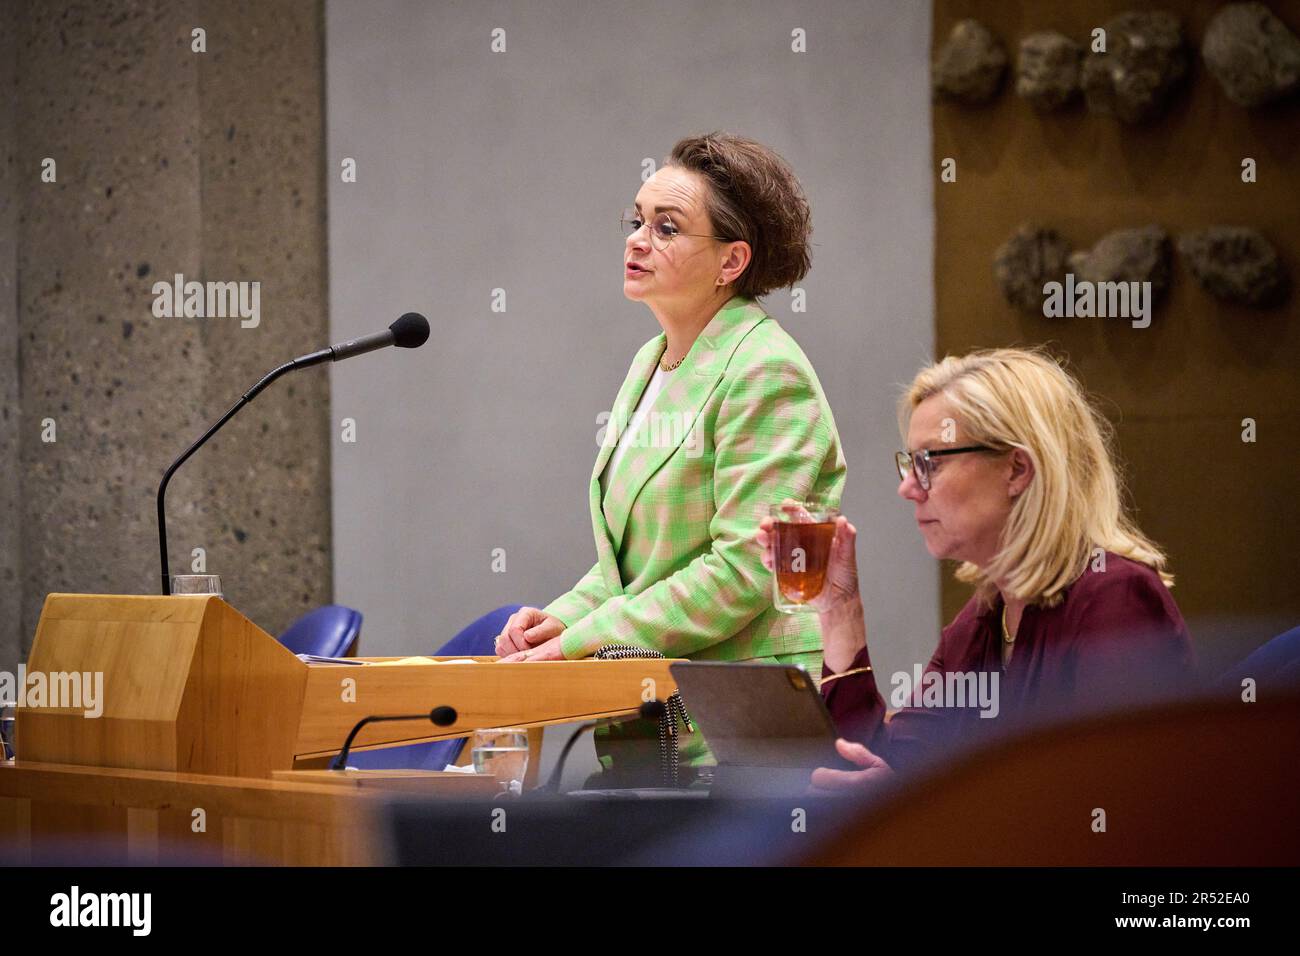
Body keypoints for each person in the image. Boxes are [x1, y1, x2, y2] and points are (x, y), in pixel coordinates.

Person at [494, 132, 847, 779]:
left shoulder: (766, 371)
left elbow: (747, 567)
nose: (636, 239)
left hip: (746, 733)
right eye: (636, 220)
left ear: (731, 260)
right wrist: (559, 620)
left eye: (667, 227)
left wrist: (582, 642)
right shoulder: (649, 363)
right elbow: (632, 564)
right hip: (654, 720)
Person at [757, 347, 1195, 793]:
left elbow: (1107, 812)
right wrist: (840, 607)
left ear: (1017, 469)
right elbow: (878, 762)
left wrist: (922, 814)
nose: (907, 487)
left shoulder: (1115, 599)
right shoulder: (986, 617)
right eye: (910, 464)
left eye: (930, 463)